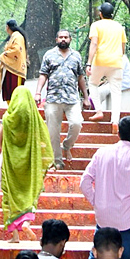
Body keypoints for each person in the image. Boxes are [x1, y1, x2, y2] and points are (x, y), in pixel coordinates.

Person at [80, 116, 130, 259]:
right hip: (128, 219)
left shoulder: (101, 153)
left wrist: (97, 201)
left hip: (103, 218)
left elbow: (84, 181)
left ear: (118, 132)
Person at [0, 86, 53, 242]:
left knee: (9, 196)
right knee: (29, 194)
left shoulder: (7, 118)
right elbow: (44, 143)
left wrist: (10, 150)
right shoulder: (34, 119)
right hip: (30, 164)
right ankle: (26, 222)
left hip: (9, 163)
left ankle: (15, 237)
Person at [34, 29, 89, 170]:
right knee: (53, 131)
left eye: (66, 37)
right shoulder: (49, 55)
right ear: (56, 39)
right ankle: (57, 161)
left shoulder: (76, 56)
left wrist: (86, 97)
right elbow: (43, 75)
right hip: (53, 98)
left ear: (70, 39)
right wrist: (38, 93)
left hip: (72, 98)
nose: (63, 39)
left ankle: (67, 145)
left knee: (77, 124)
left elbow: (81, 77)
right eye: (60, 37)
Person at [86, 2, 127, 134]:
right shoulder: (119, 27)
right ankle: (115, 121)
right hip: (116, 62)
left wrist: (88, 62)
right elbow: (123, 47)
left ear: (101, 14)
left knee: (92, 83)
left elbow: (94, 43)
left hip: (100, 60)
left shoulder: (96, 25)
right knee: (116, 92)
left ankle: (98, 110)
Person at [0, 19, 28, 102]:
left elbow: (16, 50)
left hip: (16, 69)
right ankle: (11, 111)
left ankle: (15, 112)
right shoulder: (14, 36)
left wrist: (3, 55)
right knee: (8, 92)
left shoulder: (17, 36)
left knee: (15, 93)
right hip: (10, 68)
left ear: (7, 27)